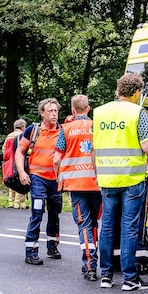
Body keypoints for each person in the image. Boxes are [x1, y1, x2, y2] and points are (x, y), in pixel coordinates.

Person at [92, 73, 148, 291]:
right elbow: (147, 147)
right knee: (129, 228)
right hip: (132, 178)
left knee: (107, 227)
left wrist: (97, 174)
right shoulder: (138, 112)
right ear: (137, 92)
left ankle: (106, 276)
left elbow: (94, 148)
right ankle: (129, 278)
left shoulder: (99, 113)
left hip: (107, 178)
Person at [56, 95, 102, 281]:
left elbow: (57, 158)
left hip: (76, 184)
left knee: (84, 225)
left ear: (73, 110)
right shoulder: (97, 127)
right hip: (97, 184)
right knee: (95, 225)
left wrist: (59, 178)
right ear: (88, 109)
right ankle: (98, 262)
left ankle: (89, 266)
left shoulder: (65, 129)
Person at [16, 98, 62, 265]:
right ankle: (31, 251)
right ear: (42, 113)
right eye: (50, 111)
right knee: (37, 212)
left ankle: (52, 246)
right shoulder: (33, 130)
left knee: (55, 213)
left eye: (55, 111)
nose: (54, 114)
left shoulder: (62, 131)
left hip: (56, 180)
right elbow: (20, 151)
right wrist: (22, 172)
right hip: (37, 178)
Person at [2, 119, 28, 209]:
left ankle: (11, 202)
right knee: (19, 180)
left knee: (11, 179)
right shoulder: (22, 135)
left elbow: (4, 149)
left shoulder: (9, 136)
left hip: (9, 161)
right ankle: (19, 203)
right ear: (22, 127)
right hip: (18, 160)